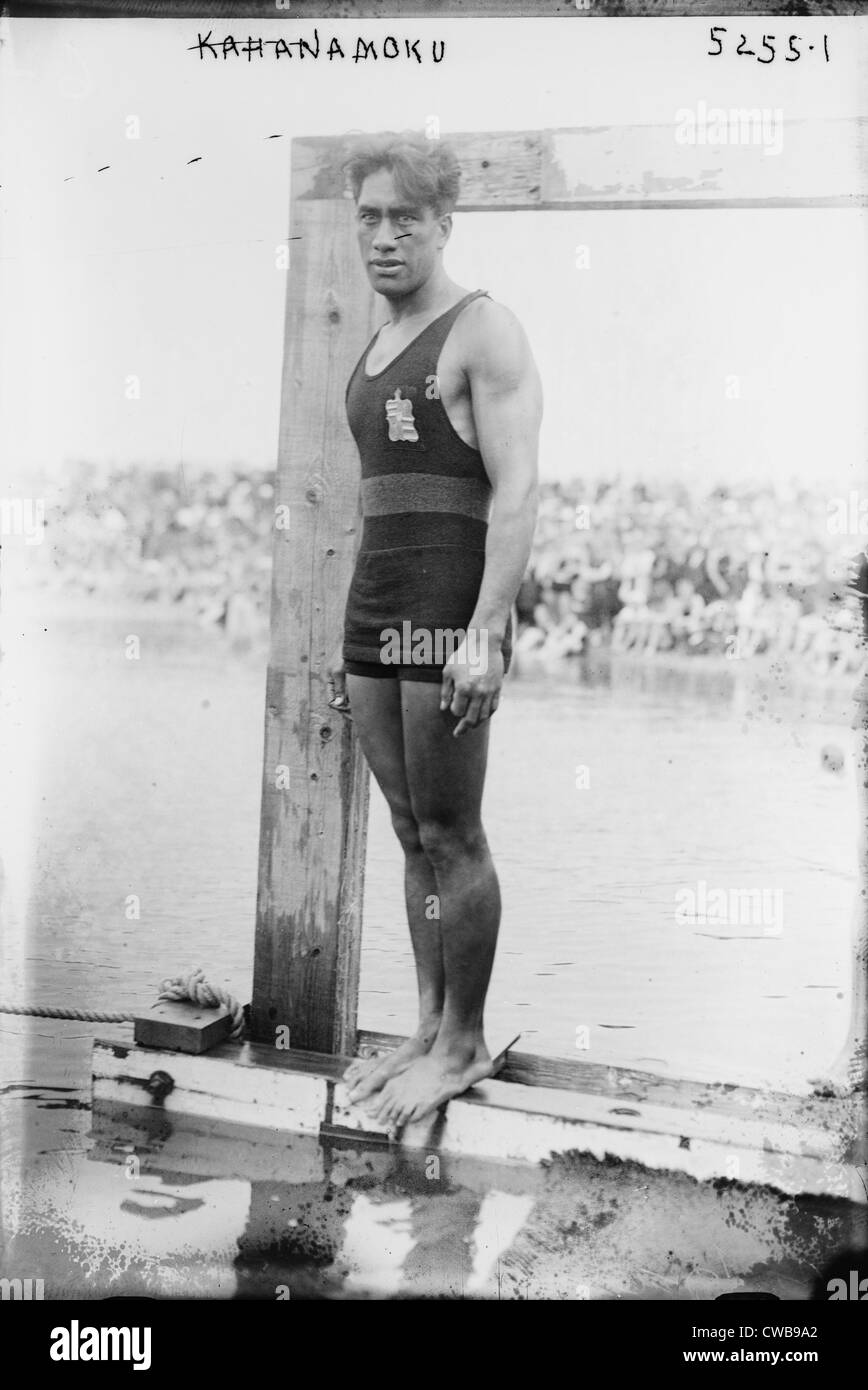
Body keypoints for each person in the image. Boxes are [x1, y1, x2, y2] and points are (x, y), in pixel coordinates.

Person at [326, 132, 543, 1129]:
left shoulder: (482, 329)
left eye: (404, 218)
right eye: (368, 217)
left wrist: (486, 630)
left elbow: (516, 490)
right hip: (374, 614)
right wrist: (348, 641)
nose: (383, 236)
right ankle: (426, 1026)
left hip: (445, 614)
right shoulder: (373, 346)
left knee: (452, 832)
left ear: (443, 224)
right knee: (411, 833)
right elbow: (379, 500)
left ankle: (464, 1042)